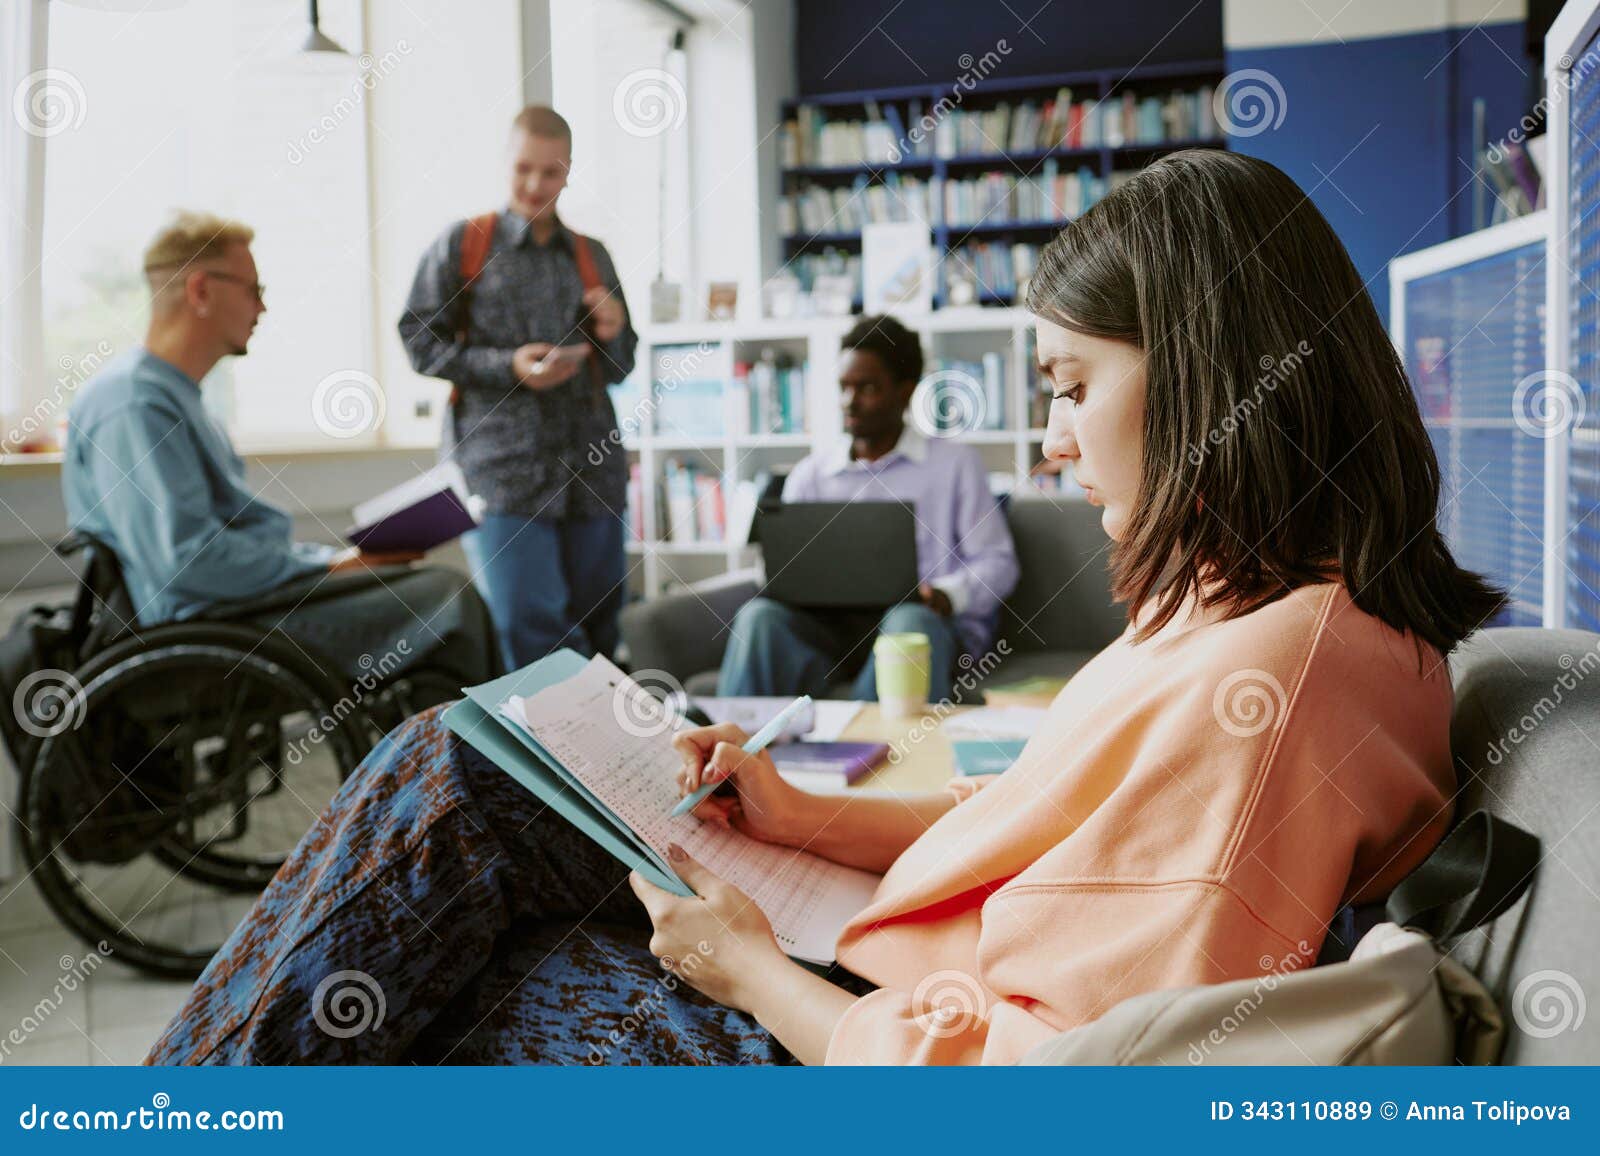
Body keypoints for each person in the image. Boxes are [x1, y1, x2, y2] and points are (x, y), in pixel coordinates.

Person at [147, 150, 1503, 1066]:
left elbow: (1048, 1083)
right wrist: (802, 815)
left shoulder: (1268, 687)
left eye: (1072, 385)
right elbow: (1041, 834)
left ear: (1215, 382)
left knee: (450, 896)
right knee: (464, 778)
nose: (1050, 439)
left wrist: (755, 977)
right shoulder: (1249, 619)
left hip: (843, 1038)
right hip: (874, 962)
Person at [63, 211, 494, 691]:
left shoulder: (176, 397)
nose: (262, 309)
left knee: (428, 587)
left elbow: (222, 544)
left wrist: (333, 561)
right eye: (254, 291)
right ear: (201, 291)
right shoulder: (133, 404)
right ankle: (457, 762)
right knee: (444, 598)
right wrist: (326, 567)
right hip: (200, 627)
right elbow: (187, 564)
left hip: (236, 607)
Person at [399, 105, 638, 672]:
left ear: (568, 171)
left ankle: (609, 760)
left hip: (592, 473)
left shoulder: (591, 255)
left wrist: (613, 330)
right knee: (532, 631)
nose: (535, 185)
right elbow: (418, 339)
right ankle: (539, 759)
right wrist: (510, 367)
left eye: (550, 173)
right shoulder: (463, 244)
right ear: (506, 162)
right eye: (524, 169)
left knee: (602, 631)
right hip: (502, 474)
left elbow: (623, 366)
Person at [718, 315, 1020, 702]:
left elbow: (998, 562)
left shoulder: (956, 465)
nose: (850, 401)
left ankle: (873, 757)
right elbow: (783, 570)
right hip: (832, 632)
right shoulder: (810, 475)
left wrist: (945, 595)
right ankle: (728, 755)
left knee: (910, 622)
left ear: (905, 392)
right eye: (844, 387)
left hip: (923, 625)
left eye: (867, 388)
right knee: (758, 619)